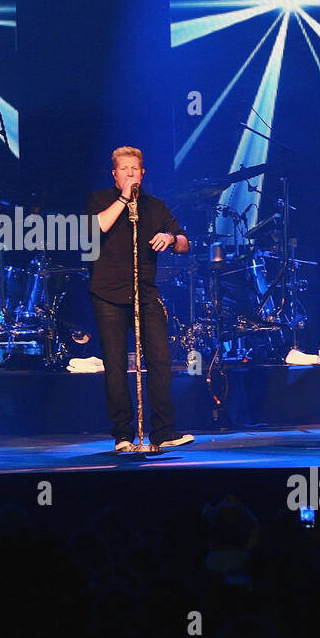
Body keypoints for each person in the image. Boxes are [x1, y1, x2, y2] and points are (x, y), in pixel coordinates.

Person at [85, 146, 193, 452]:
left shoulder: (155, 206)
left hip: (144, 294)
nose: (131, 173)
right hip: (108, 293)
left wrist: (172, 239)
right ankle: (122, 434)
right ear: (115, 175)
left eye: (136, 169)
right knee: (116, 365)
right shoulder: (98, 200)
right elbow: (98, 227)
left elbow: (185, 243)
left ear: (143, 173)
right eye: (124, 169)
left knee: (159, 360)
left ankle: (164, 432)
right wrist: (123, 200)